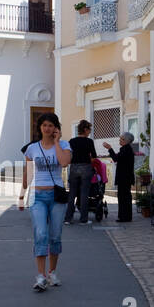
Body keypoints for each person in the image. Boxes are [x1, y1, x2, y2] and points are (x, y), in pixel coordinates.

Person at [19, 113, 72, 290]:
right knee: (41, 233)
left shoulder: (64, 145)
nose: (47, 128)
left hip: (57, 197)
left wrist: (56, 142)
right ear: (40, 128)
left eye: (51, 125)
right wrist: (21, 195)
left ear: (56, 128)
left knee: (55, 235)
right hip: (37, 196)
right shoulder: (32, 149)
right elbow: (28, 173)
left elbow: (64, 163)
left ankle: (52, 272)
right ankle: (41, 276)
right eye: (44, 125)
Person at [64, 119, 98, 224]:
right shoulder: (89, 141)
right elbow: (94, 157)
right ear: (85, 129)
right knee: (84, 194)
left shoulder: (72, 141)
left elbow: (68, 155)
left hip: (74, 167)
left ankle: (68, 219)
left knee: (72, 193)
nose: (90, 132)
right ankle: (83, 219)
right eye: (89, 130)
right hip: (86, 168)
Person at [105, 131, 136, 222]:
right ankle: (125, 216)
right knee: (125, 197)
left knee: (123, 198)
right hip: (126, 177)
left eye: (121, 139)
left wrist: (110, 148)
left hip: (124, 178)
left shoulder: (126, 149)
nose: (119, 140)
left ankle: (124, 217)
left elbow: (116, 158)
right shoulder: (127, 149)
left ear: (125, 140)